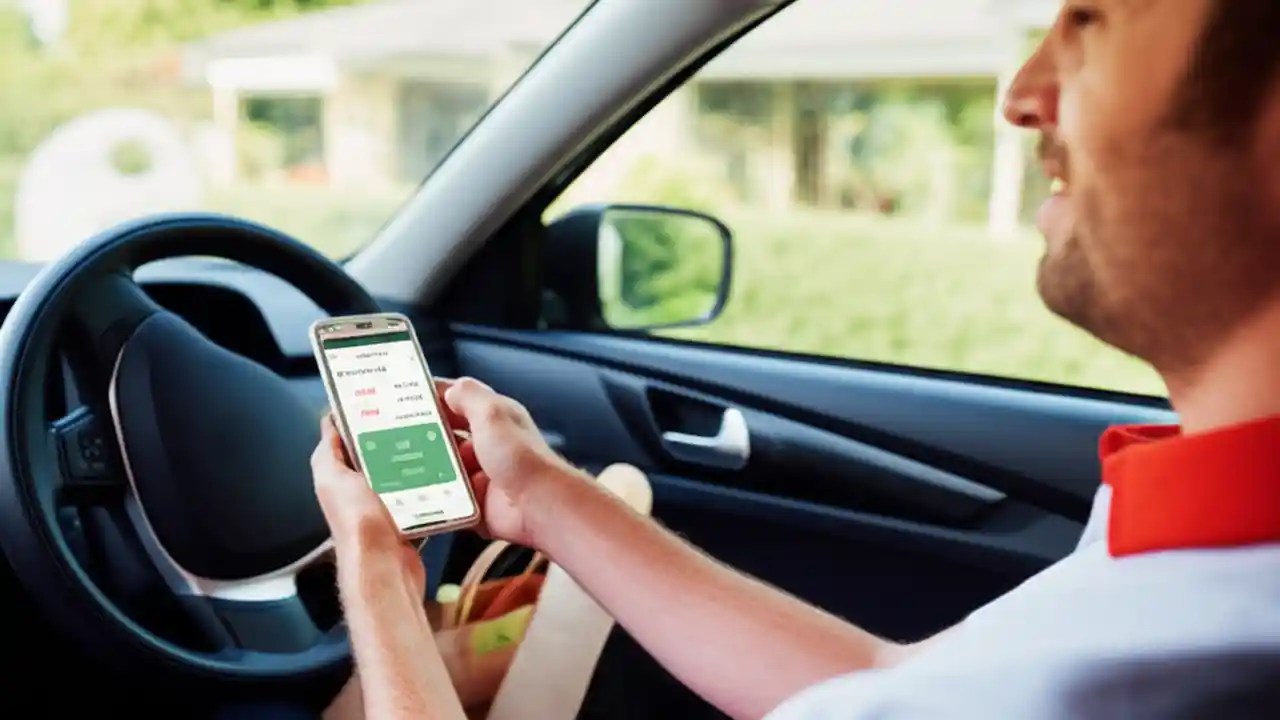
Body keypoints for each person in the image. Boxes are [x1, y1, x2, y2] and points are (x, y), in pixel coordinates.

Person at [315, 0, 1280, 717]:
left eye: (1091, 21)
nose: (1023, 96)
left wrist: (380, 578)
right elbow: (886, 691)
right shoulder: (1213, 548)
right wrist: (545, 500)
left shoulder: (1221, 656)